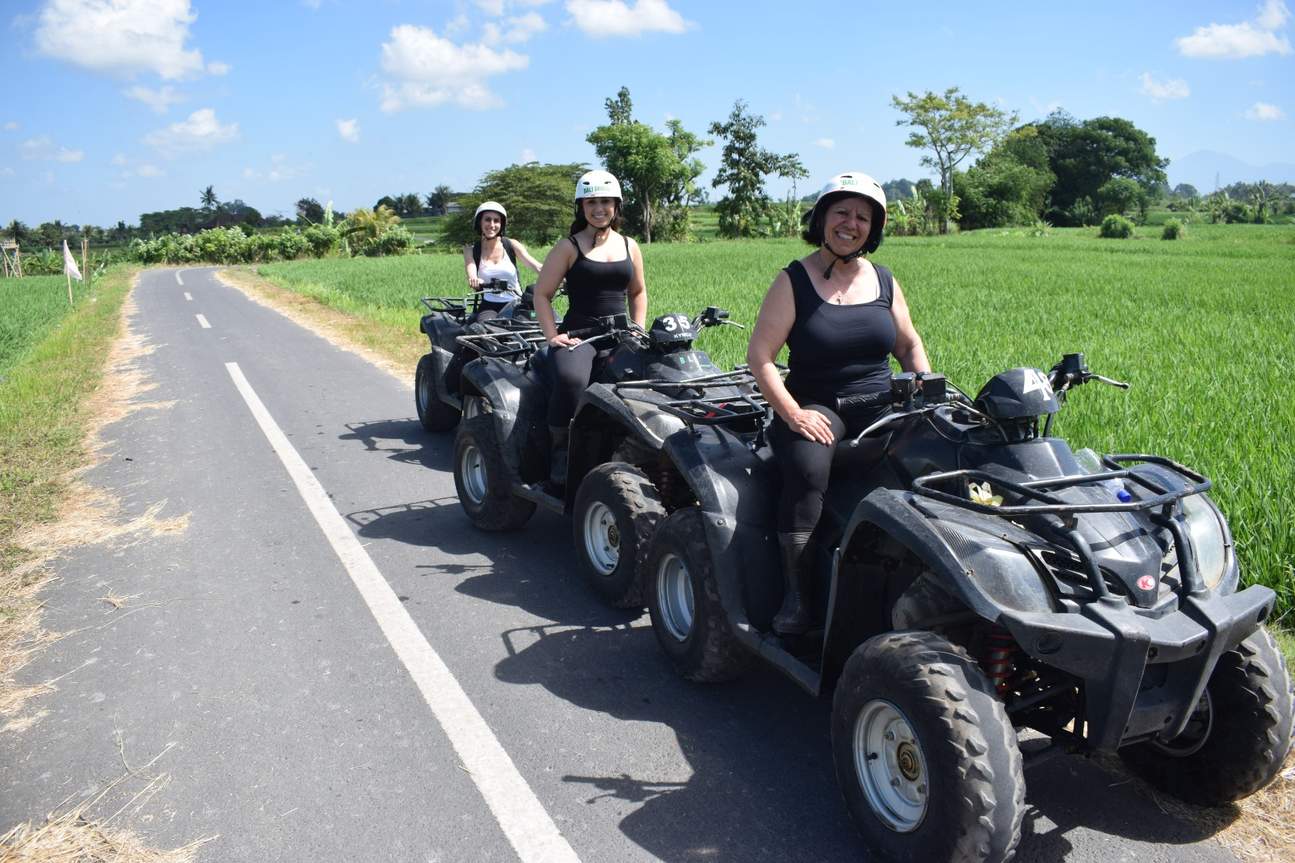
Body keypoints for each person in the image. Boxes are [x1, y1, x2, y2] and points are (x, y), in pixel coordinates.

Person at [746, 171, 930, 636]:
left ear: (874, 228)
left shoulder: (884, 281)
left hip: (882, 401)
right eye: (841, 213)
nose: (851, 224)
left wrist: (924, 387)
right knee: (808, 470)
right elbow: (761, 357)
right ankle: (798, 596)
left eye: (862, 217)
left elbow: (908, 347)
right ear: (823, 218)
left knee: (941, 455)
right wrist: (794, 413)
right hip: (819, 404)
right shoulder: (794, 280)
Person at [532, 170, 648, 485]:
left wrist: (638, 330)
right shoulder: (569, 247)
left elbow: (637, 292)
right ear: (581, 206)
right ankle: (561, 448)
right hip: (579, 336)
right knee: (571, 381)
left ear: (617, 205)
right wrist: (552, 336)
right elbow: (542, 295)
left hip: (621, 335)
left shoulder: (629, 245)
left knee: (652, 381)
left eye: (606, 202)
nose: (599, 208)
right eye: (592, 202)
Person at [462, 201, 542, 321]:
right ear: (480, 222)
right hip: (489, 306)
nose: (492, 224)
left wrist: (560, 277)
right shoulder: (471, 250)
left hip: (516, 303)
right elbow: (471, 267)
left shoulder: (511, 245)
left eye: (496, 220)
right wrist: (474, 279)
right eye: (487, 220)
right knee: (486, 330)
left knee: (533, 328)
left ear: (502, 224)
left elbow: (535, 265)